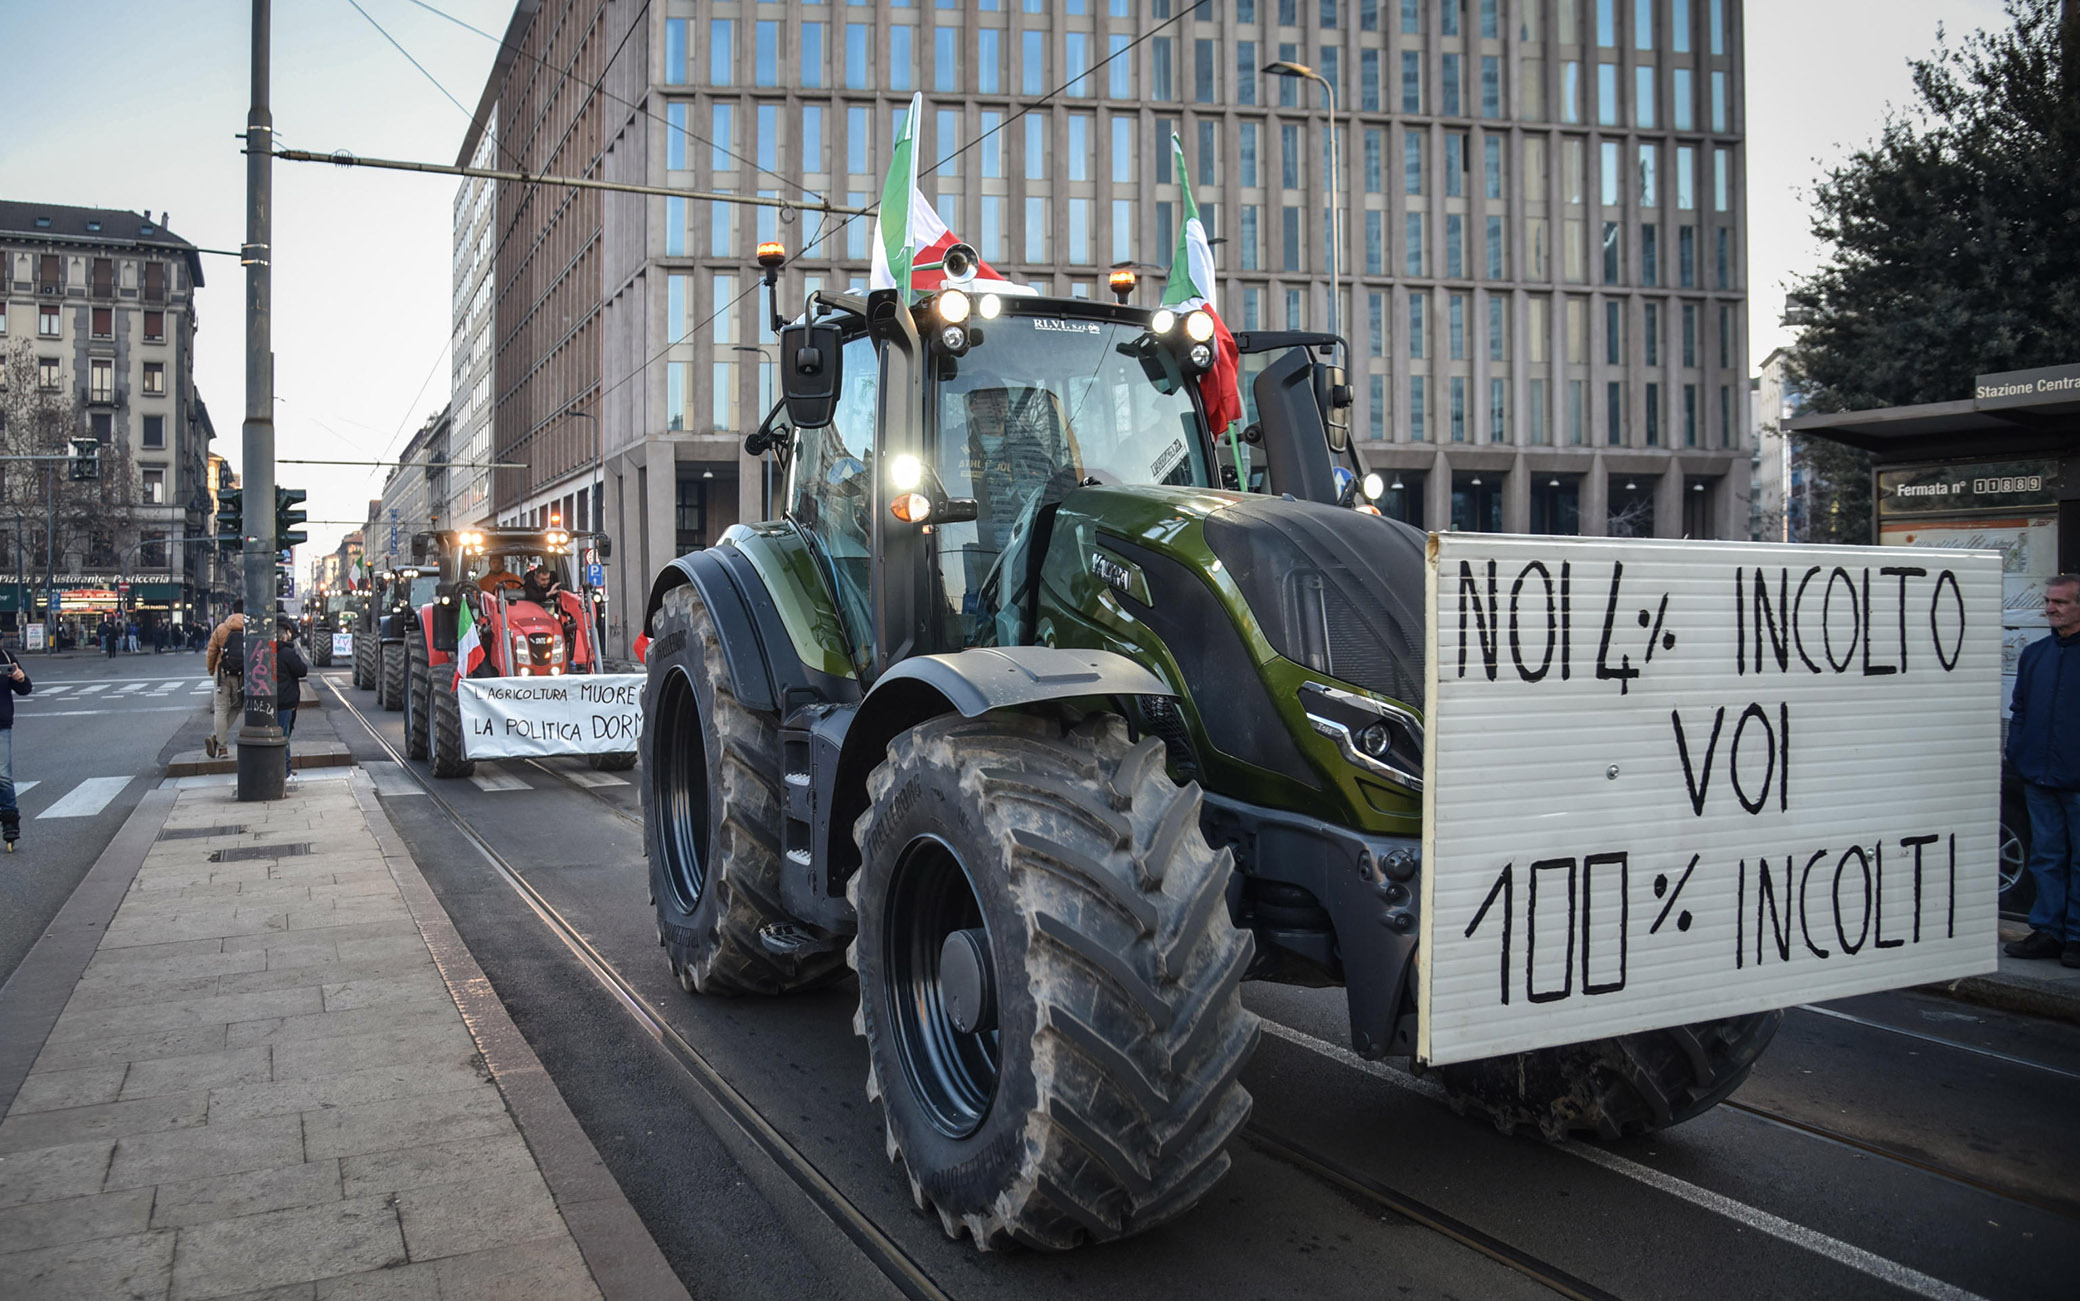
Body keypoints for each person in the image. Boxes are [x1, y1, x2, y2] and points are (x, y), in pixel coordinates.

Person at [2005, 573, 2080, 966]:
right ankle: (2048, 931)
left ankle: (2076, 936)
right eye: (2049, 601)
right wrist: (2018, 752)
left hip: (2075, 780)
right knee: (2047, 856)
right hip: (2039, 775)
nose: (2050, 608)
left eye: (2061, 603)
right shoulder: (2035, 654)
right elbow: (2019, 709)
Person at [204, 601, 247, 760]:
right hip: (241, 675)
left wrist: (212, 670)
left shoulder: (221, 628)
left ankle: (222, 748)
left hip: (222, 673)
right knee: (236, 706)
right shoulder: (250, 629)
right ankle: (216, 737)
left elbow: (211, 651)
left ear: (232, 610)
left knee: (220, 709)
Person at [0, 645, 31, 849]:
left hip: (1, 724)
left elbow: (25, 688)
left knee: (3, 775)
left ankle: (10, 822)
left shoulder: (4, 657)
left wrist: (20, 678)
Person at [276, 615, 309, 778]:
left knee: (279, 735)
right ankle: (285, 771)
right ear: (284, 635)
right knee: (284, 737)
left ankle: (281, 769)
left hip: (273, 701)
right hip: (285, 701)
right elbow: (302, 670)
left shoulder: (267, 651)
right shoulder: (287, 653)